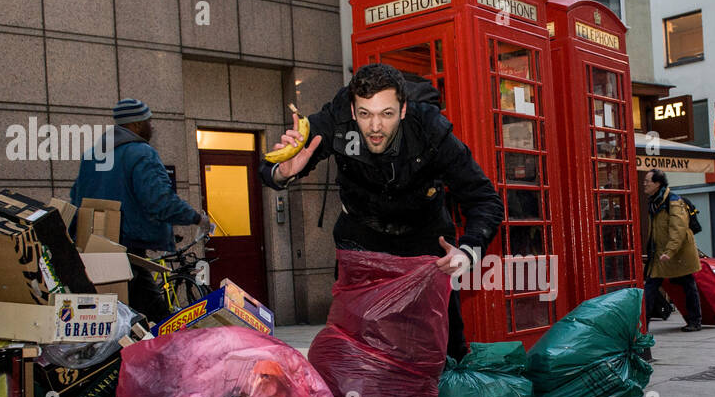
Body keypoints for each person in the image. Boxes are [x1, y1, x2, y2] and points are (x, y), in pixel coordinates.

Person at [261, 64, 503, 360]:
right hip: (361, 239)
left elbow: (485, 199)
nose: (375, 126)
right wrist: (282, 173)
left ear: (402, 110)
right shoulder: (333, 120)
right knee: (355, 346)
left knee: (446, 343)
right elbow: (268, 170)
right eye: (365, 114)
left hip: (425, 239)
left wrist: (468, 252)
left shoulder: (430, 130)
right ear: (352, 109)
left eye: (386, 114)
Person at [70, 98, 210, 321]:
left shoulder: (92, 156)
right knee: (160, 319)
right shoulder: (141, 153)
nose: (151, 126)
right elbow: (159, 201)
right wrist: (196, 218)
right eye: (148, 121)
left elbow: (76, 198)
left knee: (116, 321)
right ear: (135, 125)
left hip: (93, 247)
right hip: (127, 251)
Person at [641, 171, 703, 331]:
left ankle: (695, 321)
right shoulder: (654, 201)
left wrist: (669, 252)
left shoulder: (673, 201)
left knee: (688, 286)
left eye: (648, 181)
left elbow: (678, 230)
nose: (645, 183)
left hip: (678, 254)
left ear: (657, 184)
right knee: (650, 287)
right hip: (661, 254)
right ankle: (642, 326)